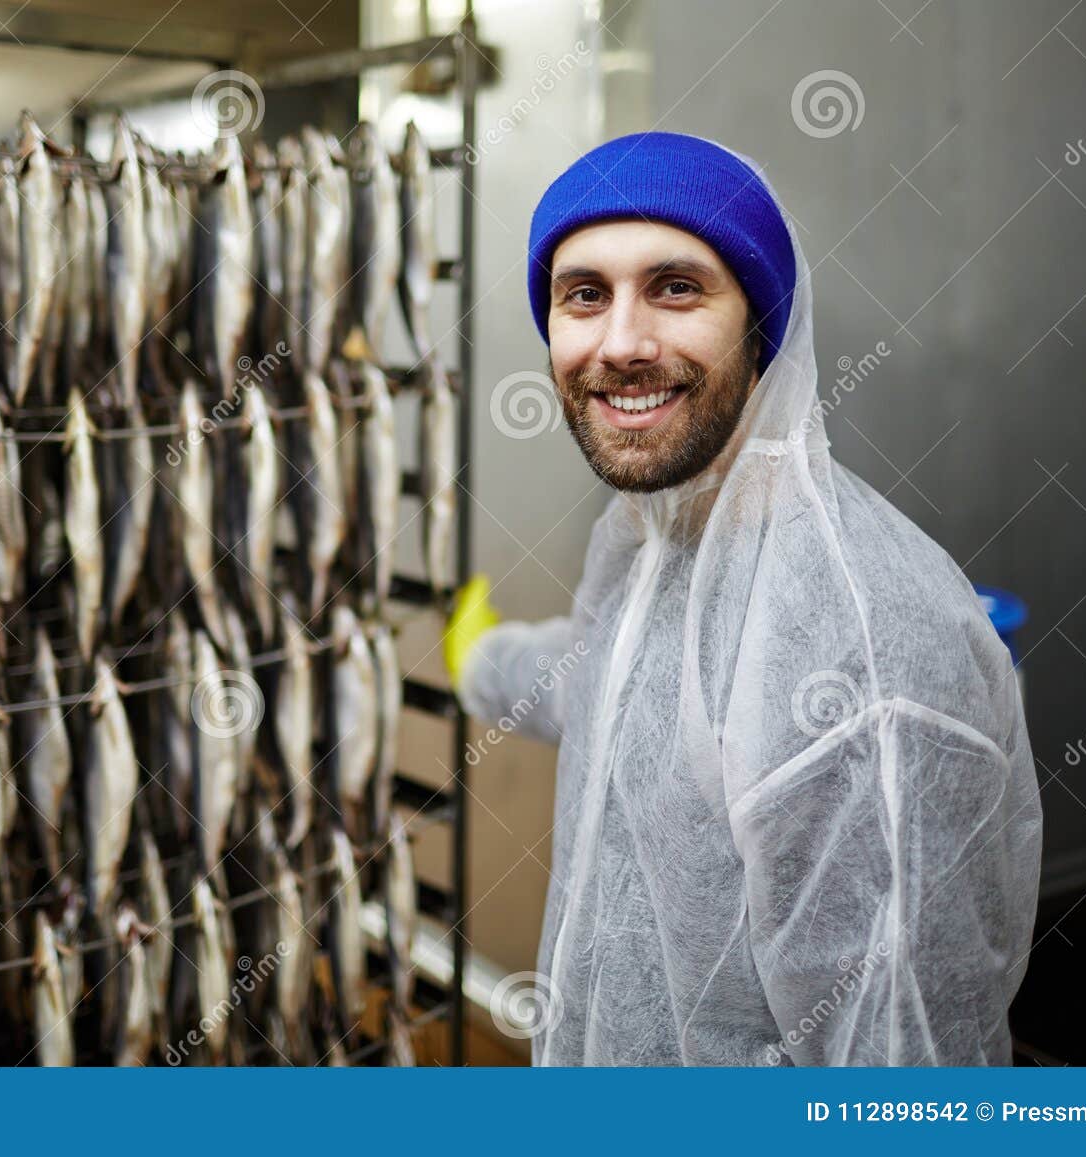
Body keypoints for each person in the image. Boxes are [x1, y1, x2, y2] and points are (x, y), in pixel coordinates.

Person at [444, 132, 1043, 1066]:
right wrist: (488, 661)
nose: (623, 343)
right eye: (584, 294)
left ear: (759, 326)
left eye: (677, 286)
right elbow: (615, 689)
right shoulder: (662, 538)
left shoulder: (865, 649)